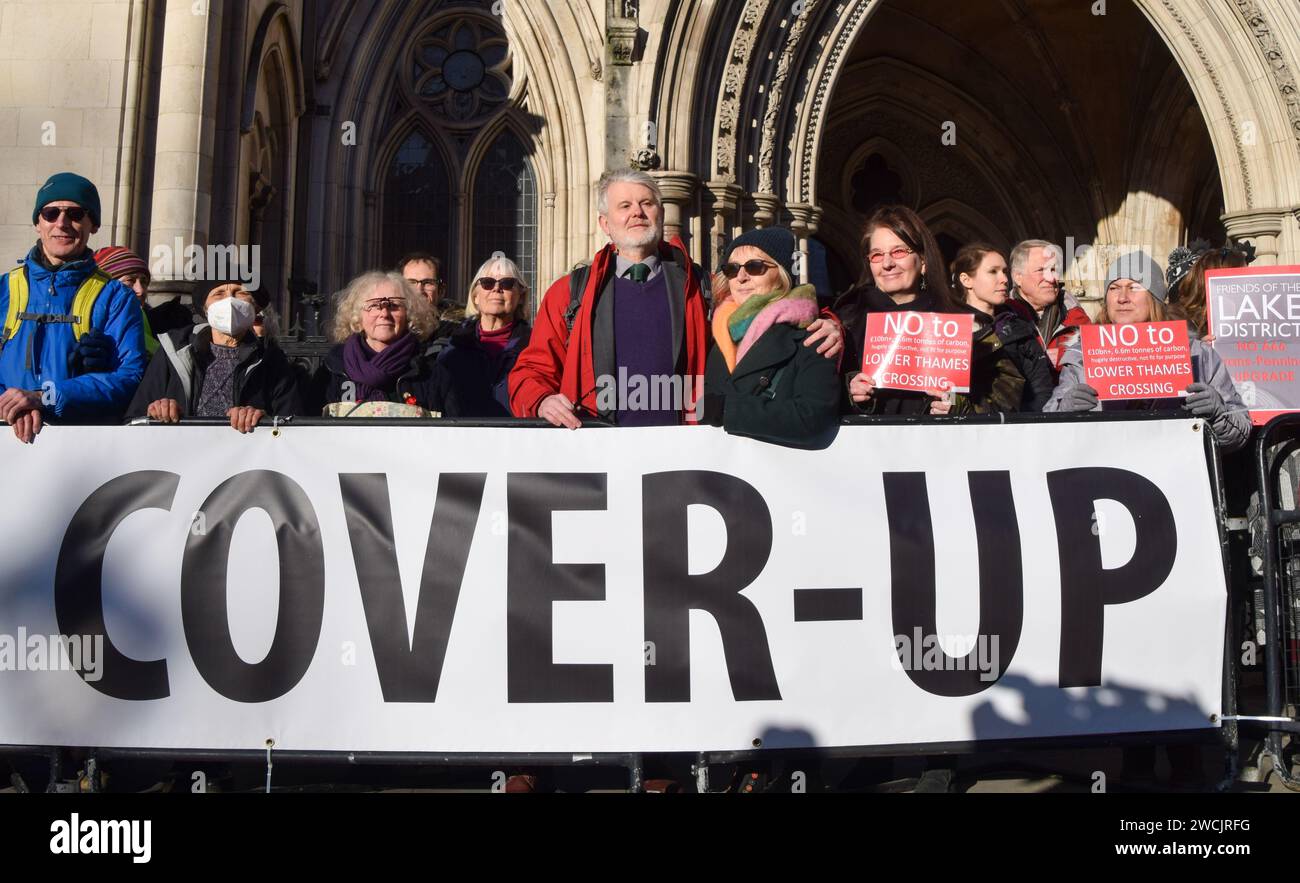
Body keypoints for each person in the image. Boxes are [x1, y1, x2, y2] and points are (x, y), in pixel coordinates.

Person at [509, 168, 843, 429]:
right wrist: (540, 400)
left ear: (661, 213)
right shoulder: (570, 293)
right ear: (605, 223)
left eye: (647, 203)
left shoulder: (699, 284)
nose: (637, 213)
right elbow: (532, 370)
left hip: (681, 455)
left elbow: (773, 305)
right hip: (599, 453)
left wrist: (827, 324)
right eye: (624, 206)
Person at [1043, 251, 1250, 452]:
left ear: (1155, 298)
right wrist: (1063, 411)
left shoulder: (1197, 354)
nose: (1122, 298)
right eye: (1114, 288)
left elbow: (1240, 432)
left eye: (1134, 287)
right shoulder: (1082, 356)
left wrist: (1218, 413)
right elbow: (1046, 432)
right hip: (1106, 476)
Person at [0, 173, 147, 443]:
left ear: (93, 225)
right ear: (37, 223)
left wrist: (45, 397)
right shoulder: (4, 289)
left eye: (76, 214)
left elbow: (130, 377)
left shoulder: (116, 297)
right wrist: (12, 405)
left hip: (81, 447)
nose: (62, 223)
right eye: (51, 212)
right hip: (7, 441)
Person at [700, 227, 839, 446]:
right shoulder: (716, 334)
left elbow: (814, 416)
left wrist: (728, 410)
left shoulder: (813, 336)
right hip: (719, 472)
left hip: (780, 472)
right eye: (731, 269)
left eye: (755, 267)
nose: (741, 277)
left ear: (782, 274)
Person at [127, 279, 301, 433]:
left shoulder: (271, 361)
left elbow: (293, 427)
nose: (229, 301)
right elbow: (133, 420)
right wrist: (157, 410)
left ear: (256, 308)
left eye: (240, 292)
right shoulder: (173, 351)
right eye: (219, 294)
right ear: (205, 308)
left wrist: (262, 419)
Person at [836, 204, 963, 416]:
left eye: (899, 251)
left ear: (922, 260)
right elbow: (811, 396)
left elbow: (1000, 400)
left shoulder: (960, 323)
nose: (887, 263)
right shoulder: (844, 322)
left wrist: (958, 405)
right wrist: (849, 391)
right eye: (876, 255)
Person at [311, 271, 458, 417]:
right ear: (357, 317)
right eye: (374, 305)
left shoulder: (430, 373)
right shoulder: (332, 370)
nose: (384, 313)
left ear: (409, 315)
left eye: (394, 305)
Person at [933, 244, 1054, 415]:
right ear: (966, 280)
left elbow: (1041, 391)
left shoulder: (1019, 327)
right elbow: (944, 387)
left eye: (1004, 271)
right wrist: (952, 406)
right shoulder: (947, 330)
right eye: (993, 271)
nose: (1004, 279)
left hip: (1016, 432)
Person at [436, 255, 532, 418]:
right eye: (487, 283)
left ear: (520, 296)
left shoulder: (534, 346)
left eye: (507, 283)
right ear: (475, 296)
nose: (496, 289)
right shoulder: (450, 347)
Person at [1004, 239, 1091, 374]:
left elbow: (1094, 367)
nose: (1051, 278)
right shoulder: (1001, 321)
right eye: (1041, 270)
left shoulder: (1076, 317)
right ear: (1018, 277)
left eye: (1054, 269)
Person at [93, 246, 193, 356]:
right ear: (106, 285)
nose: (140, 290)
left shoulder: (158, 324)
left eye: (144, 282)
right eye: (130, 280)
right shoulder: (90, 327)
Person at [1166, 242, 1252, 339]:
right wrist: (1198, 349)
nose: (1249, 283)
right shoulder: (1174, 325)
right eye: (1242, 276)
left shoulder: (1250, 318)